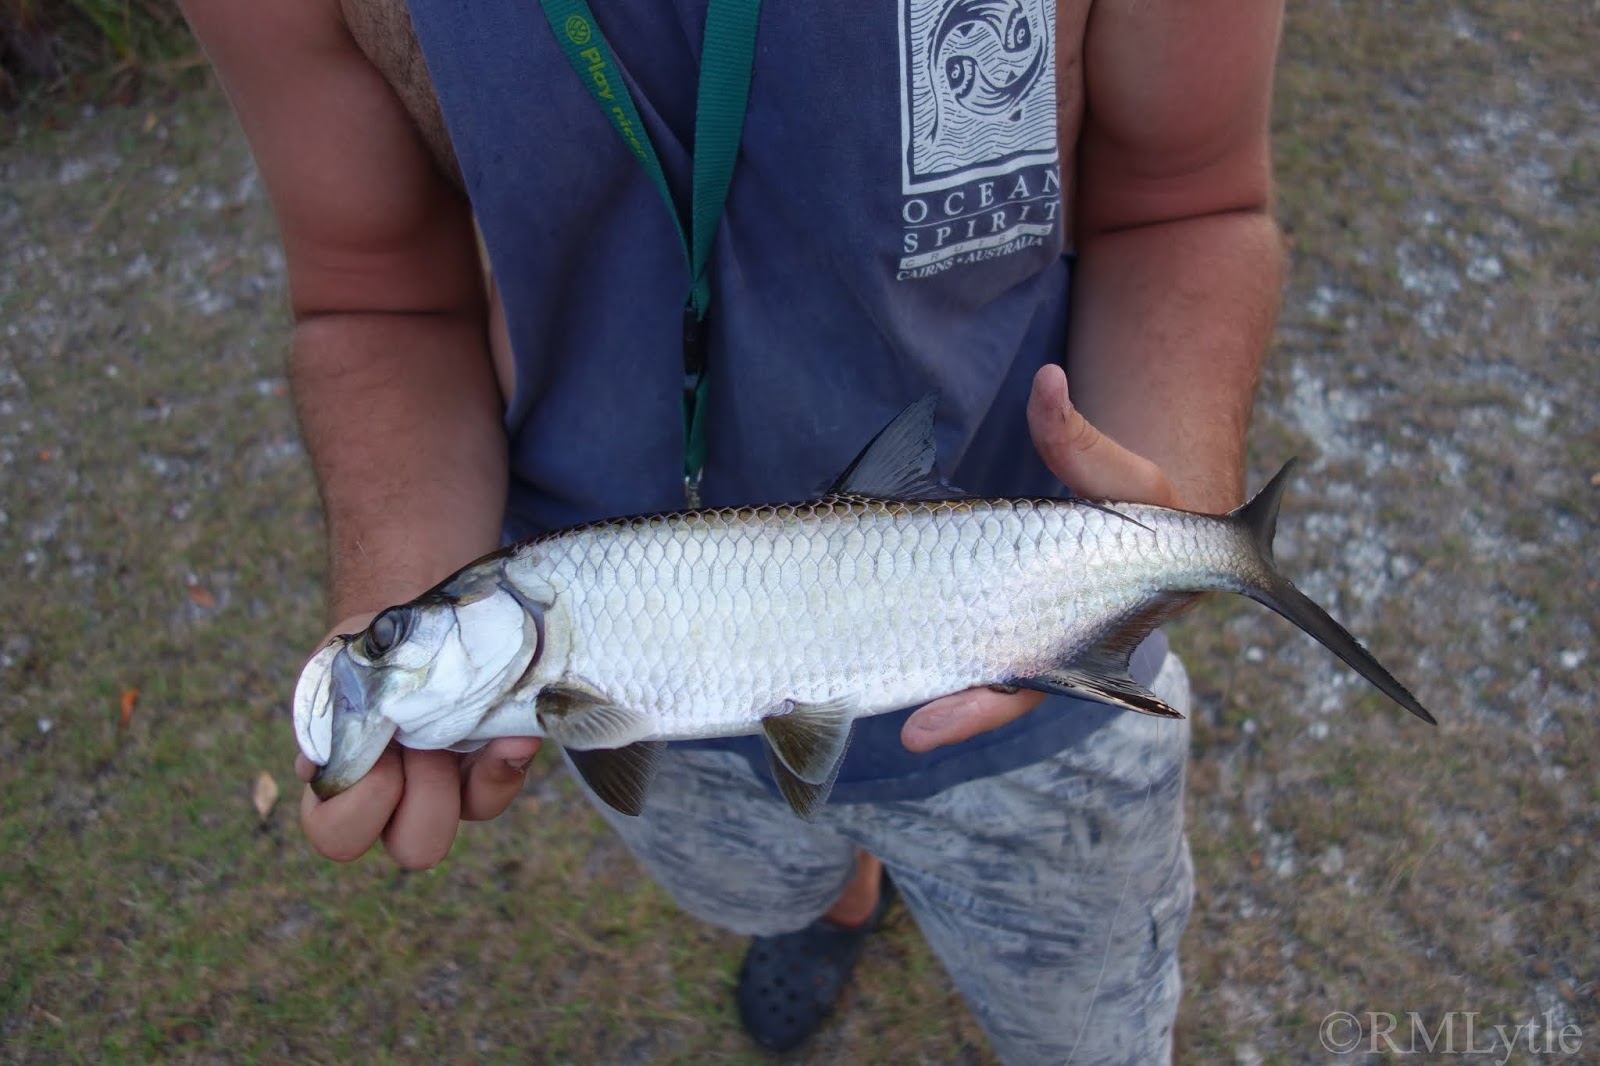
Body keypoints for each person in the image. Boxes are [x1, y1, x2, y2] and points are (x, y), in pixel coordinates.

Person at [181, 0, 1284, 1060]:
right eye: (397, 644)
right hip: (660, 727)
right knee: (761, 882)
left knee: (1087, 1025)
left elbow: (1185, 199)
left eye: (393, 641)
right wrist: (396, 575)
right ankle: (841, 903)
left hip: (1033, 693)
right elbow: (374, 293)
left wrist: (1165, 532)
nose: (385, 651)